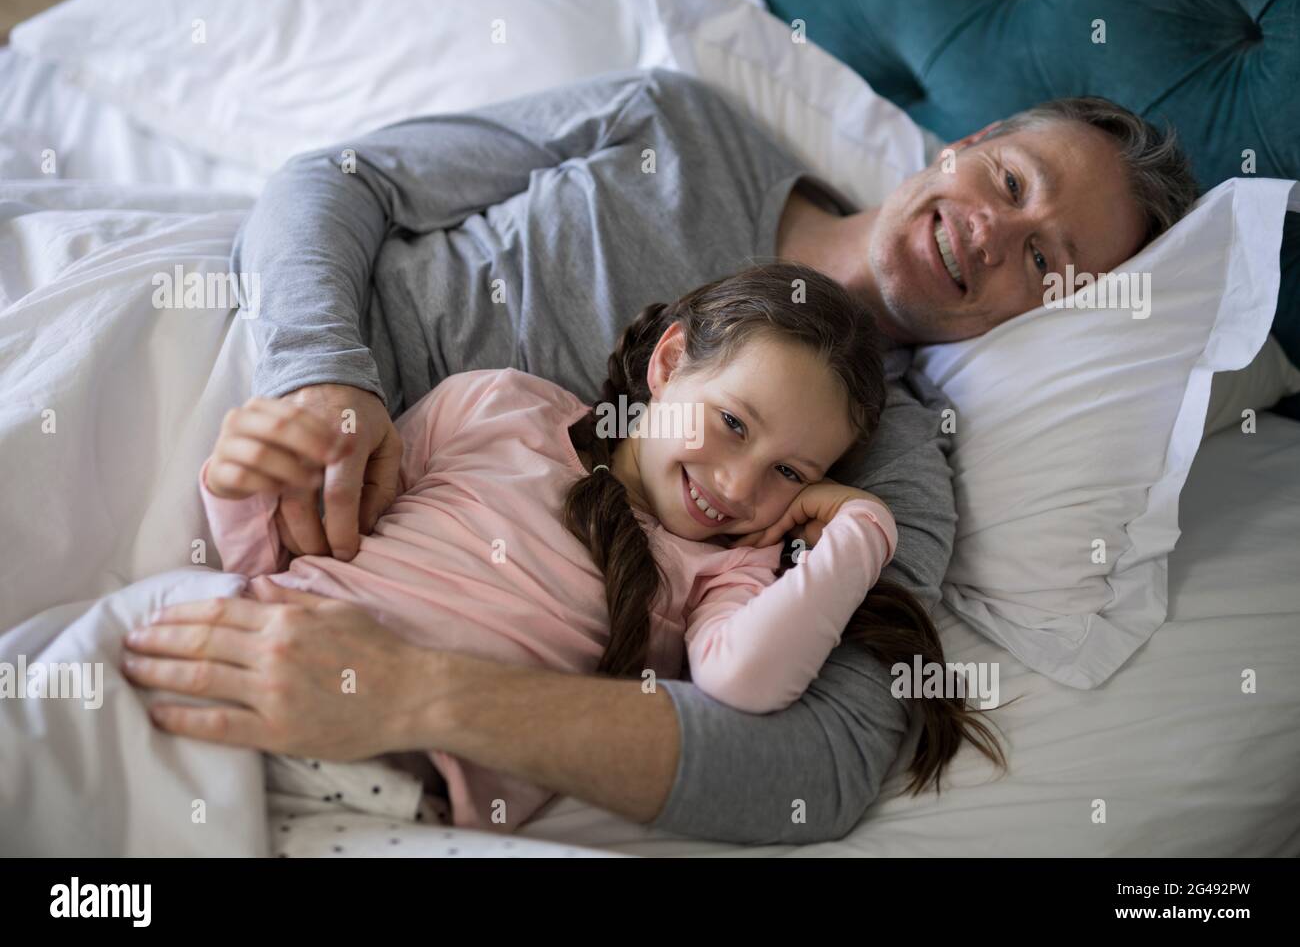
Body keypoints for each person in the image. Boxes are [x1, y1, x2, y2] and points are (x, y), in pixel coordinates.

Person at [123, 68, 1197, 843]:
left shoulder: (888, 466)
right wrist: (317, 375)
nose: (991, 234)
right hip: (239, 375)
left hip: (372, 714)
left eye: (1045, 262)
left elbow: (815, 769)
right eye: (1010, 181)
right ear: (973, 137)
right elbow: (341, 178)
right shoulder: (679, 123)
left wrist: (417, 693)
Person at [186, 262, 1003, 833]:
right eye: (731, 423)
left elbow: (744, 681)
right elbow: (303, 547)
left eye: (790, 470)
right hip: (252, 639)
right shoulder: (495, 405)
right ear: (672, 361)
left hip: (385, 769)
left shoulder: (731, 568)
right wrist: (242, 479)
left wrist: (864, 529)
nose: (740, 485)